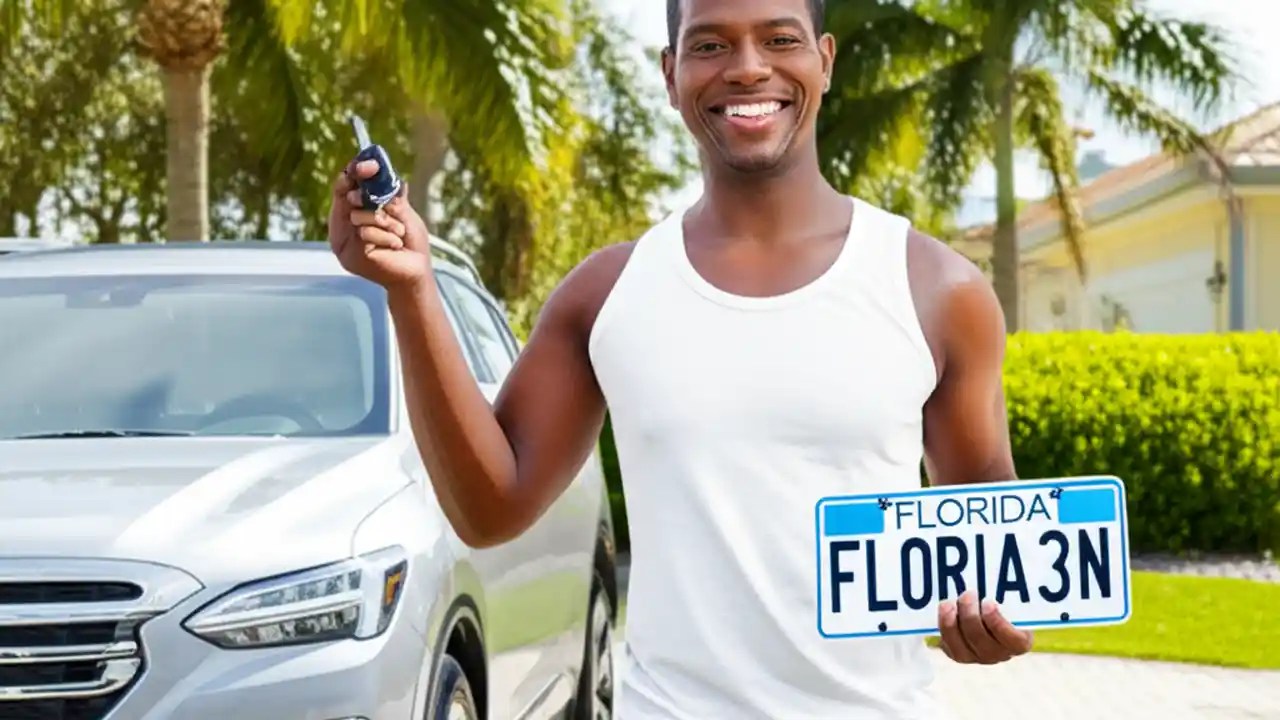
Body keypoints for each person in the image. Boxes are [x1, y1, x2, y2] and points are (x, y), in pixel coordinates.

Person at [329, 0, 1034, 716]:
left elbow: (993, 541)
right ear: (671, 75)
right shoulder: (607, 295)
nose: (749, 67)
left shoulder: (937, 289)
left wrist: (995, 616)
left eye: (779, 39)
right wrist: (412, 292)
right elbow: (489, 509)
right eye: (709, 45)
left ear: (823, 59)